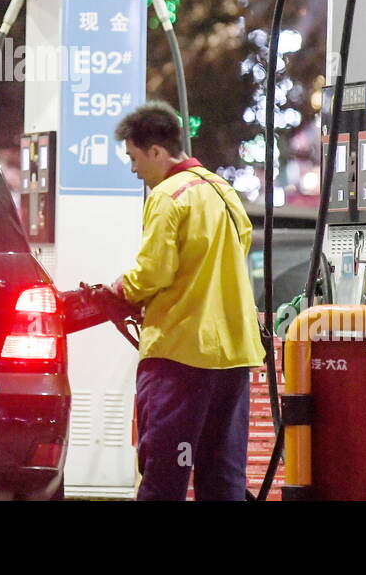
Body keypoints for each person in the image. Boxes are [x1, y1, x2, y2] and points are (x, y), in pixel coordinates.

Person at [106, 101, 264, 501]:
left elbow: (153, 271)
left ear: (156, 151)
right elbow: (235, 252)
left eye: (134, 157)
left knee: (165, 473)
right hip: (232, 355)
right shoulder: (222, 191)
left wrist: (119, 290)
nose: (134, 169)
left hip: (181, 355)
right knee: (223, 474)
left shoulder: (167, 196)